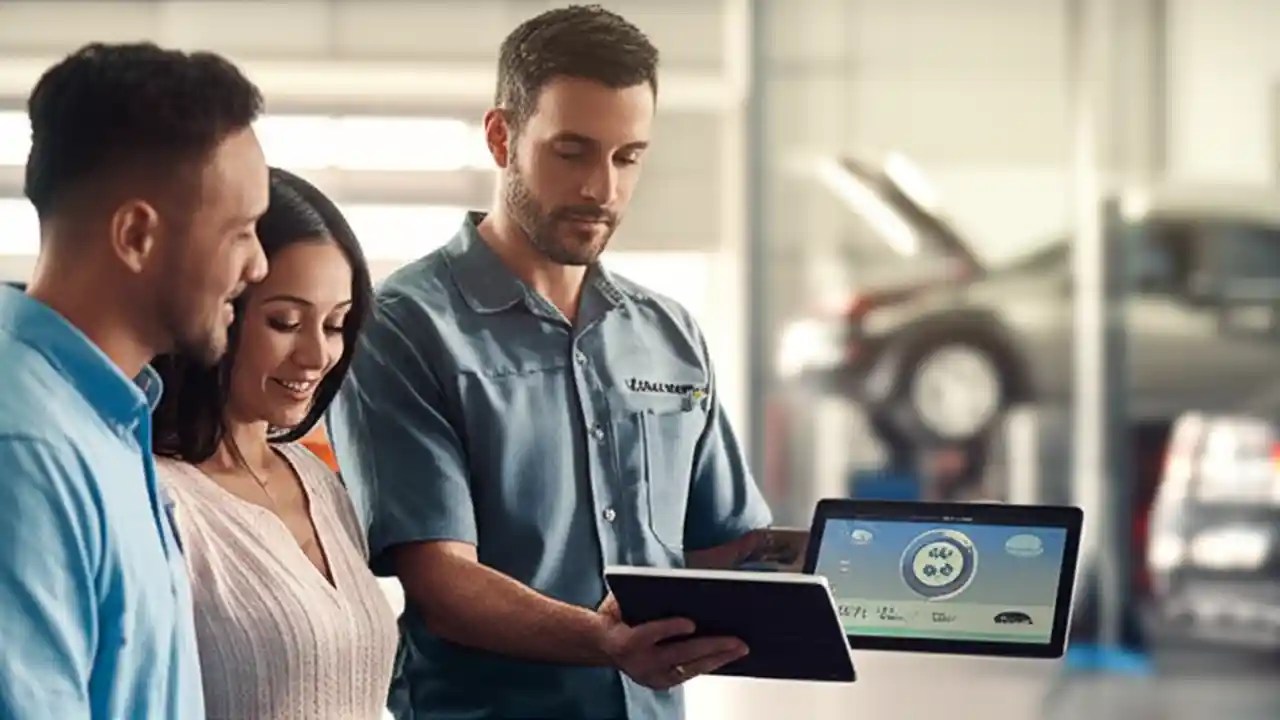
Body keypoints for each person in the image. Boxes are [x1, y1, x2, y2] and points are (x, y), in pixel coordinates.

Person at [328, 6, 780, 719]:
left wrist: (866, 560)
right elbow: (441, 583)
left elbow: (726, 543)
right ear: (502, 136)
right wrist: (604, 642)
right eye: (572, 152)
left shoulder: (669, 333)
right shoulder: (404, 326)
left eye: (628, 157)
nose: (603, 189)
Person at [0, 42, 268, 718]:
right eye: (240, 233)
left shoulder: (107, 416)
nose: (259, 266)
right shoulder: (27, 452)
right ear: (137, 236)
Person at [150, 168, 396, 720]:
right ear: (220, 311)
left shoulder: (316, 480)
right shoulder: (162, 498)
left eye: (335, 325)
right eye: (285, 321)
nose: (317, 356)